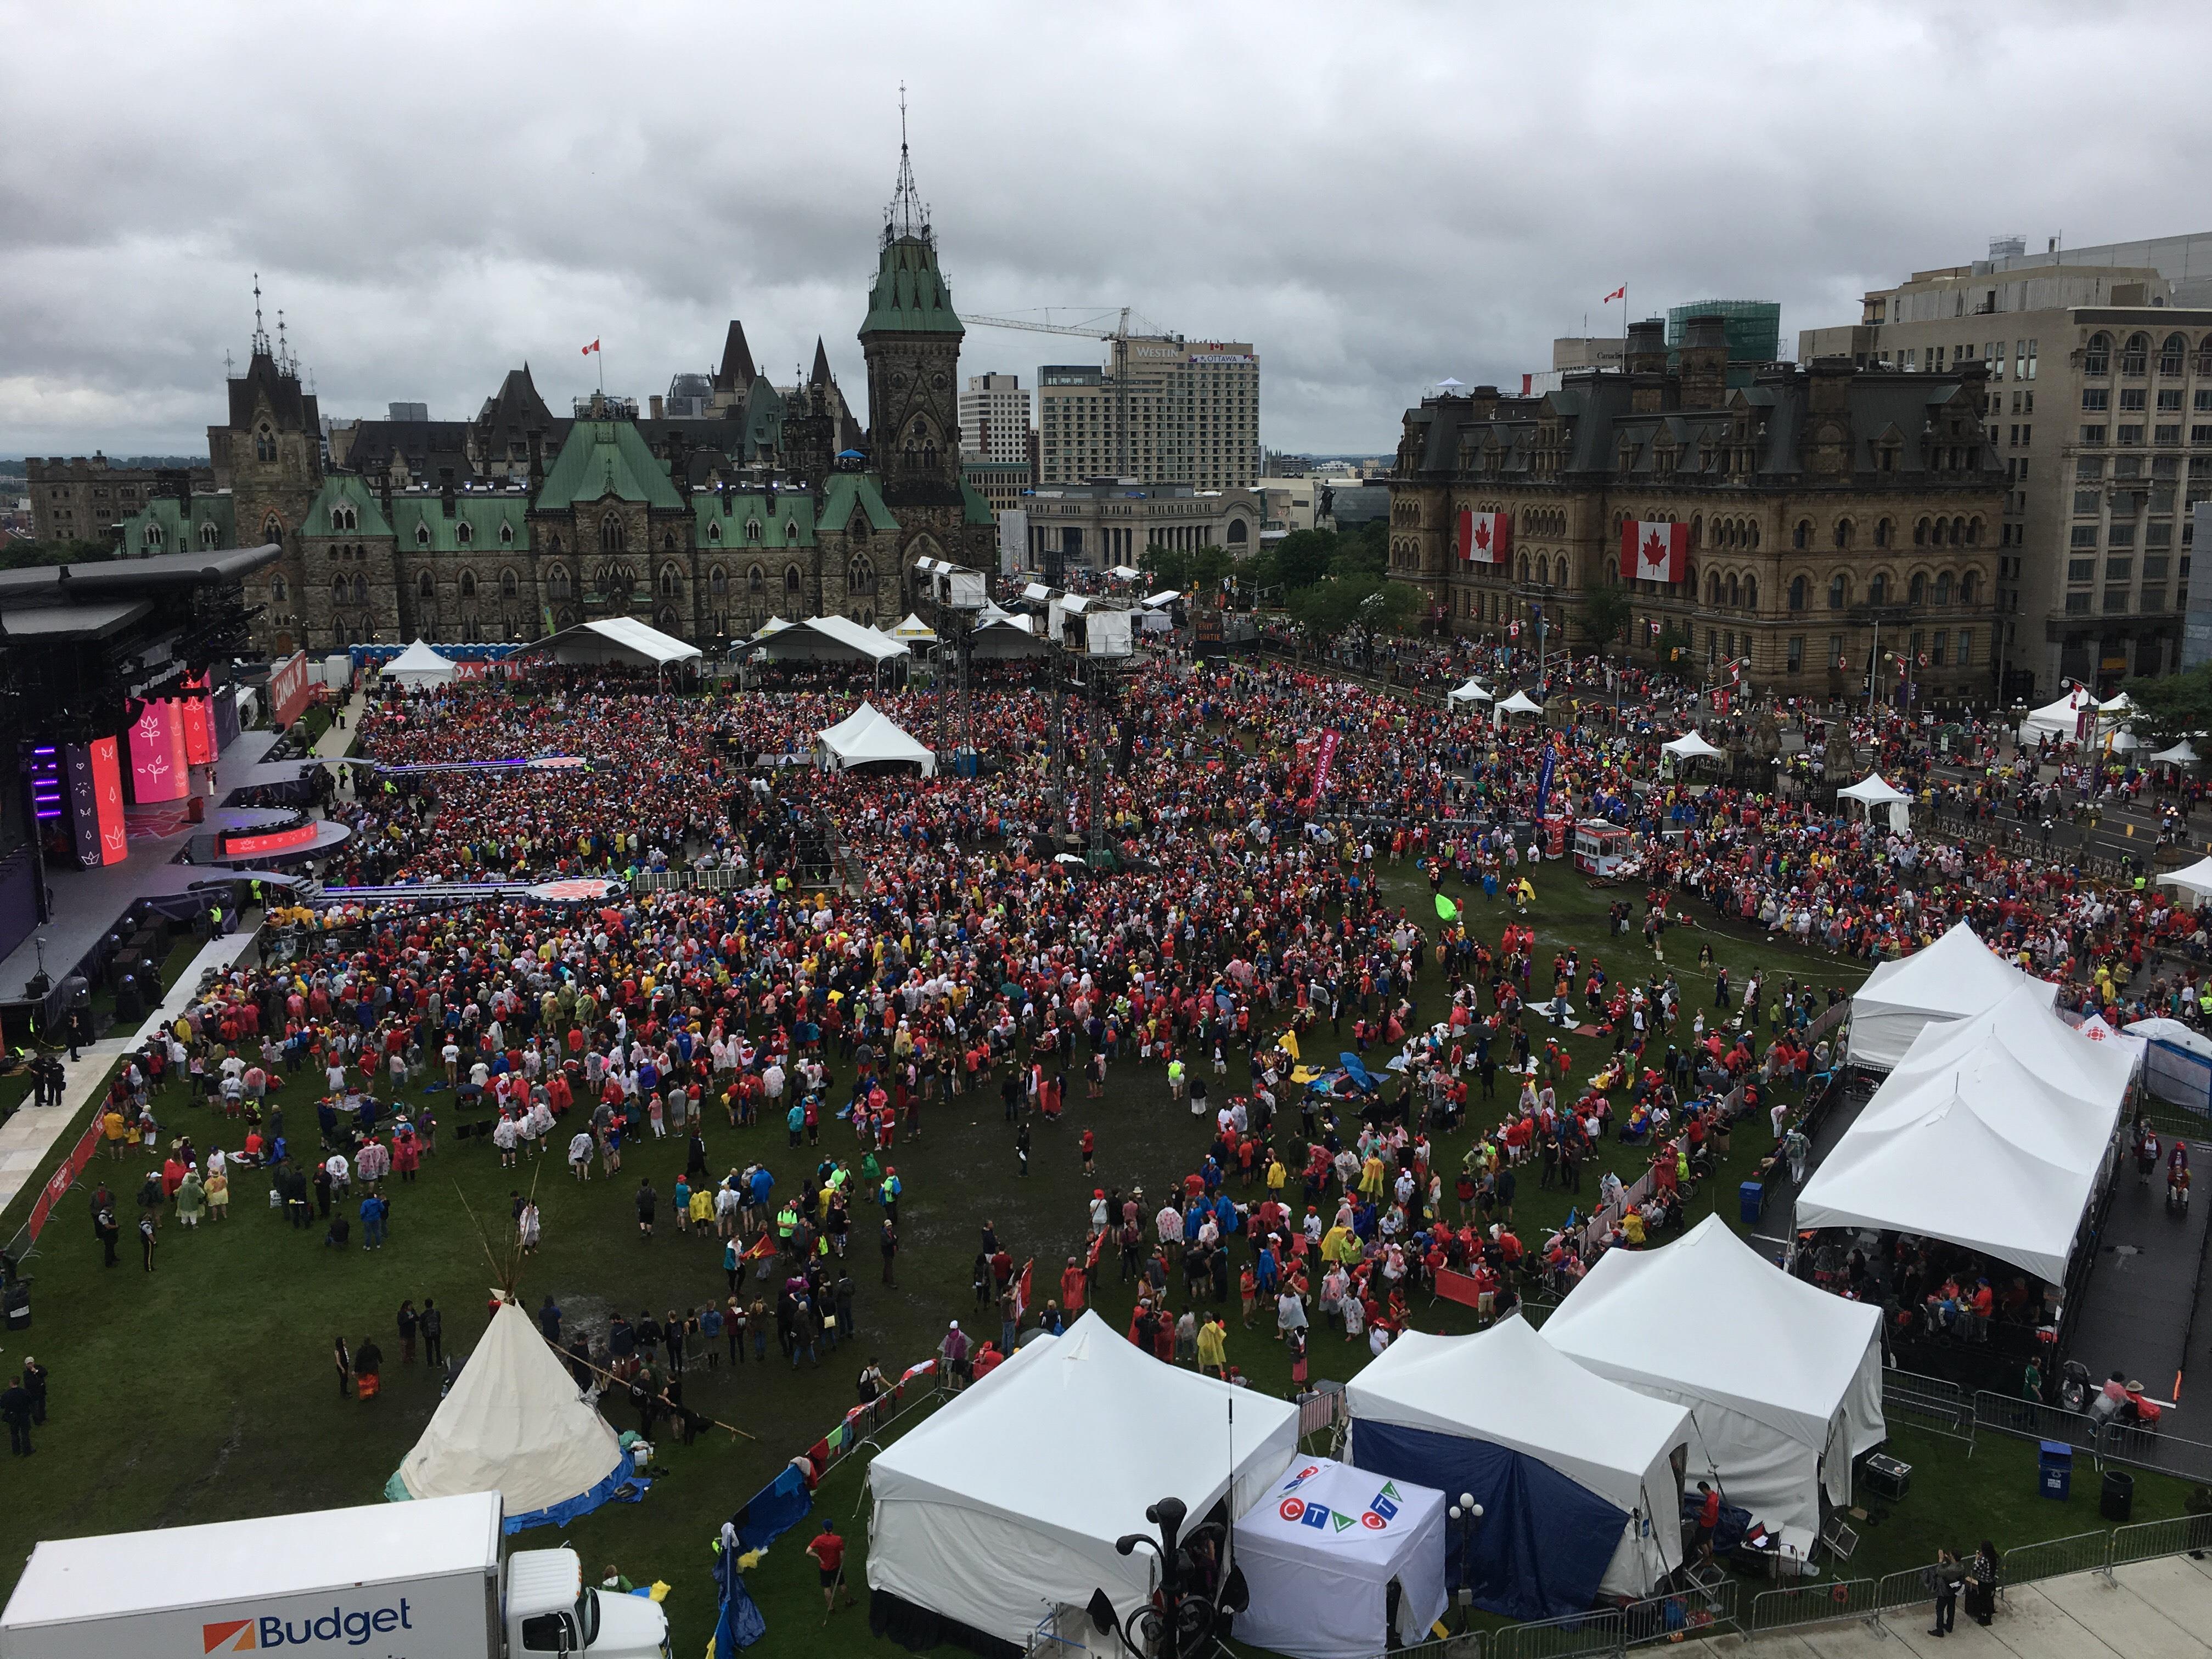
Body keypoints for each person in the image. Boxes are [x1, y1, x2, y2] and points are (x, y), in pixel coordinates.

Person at [806, 1520, 849, 1613]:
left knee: (827, 1588)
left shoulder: (819, 1539)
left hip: (824, 1568)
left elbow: (808, 1551)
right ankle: (848, 1601)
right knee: (842, 1584)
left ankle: (831, 1608)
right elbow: (842, 1554)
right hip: (836, 1567)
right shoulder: (838, 1539)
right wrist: (841, 1563)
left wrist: (818, 1557)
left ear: (824, 1529)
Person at [1962, 1540, 1999, 1627]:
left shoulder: (1983, 1560)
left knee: (1983, 1600)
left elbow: (1975, 1569)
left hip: (1984, 1583)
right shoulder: (1995, 1557)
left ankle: (1984, 1619)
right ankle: (1990, 1613)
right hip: (1992, 1582)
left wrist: (1976, 1559)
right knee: (1990, 1598)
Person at [1929, 1548, 1962, 1638]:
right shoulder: (1961, 1567)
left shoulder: (1950, 1570)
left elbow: (1939, 1572)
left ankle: (1939, 1630)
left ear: (1954, 1557)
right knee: (1951, 1609)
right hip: (1953, 1591)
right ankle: (1949, 1626)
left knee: (1940, 1610)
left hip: (1944, 1593)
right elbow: (1952, 1566)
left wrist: (1940, 1560)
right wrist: (1947, 1559)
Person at [0, 1372, 31, 1457]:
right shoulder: (24, 1392)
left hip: (12, 1416)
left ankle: (16, 1451)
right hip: (23, 1415)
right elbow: (29, 1401)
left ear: (11, 1383)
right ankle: (27, 1450)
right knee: (25, 1433)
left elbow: (2, 1405)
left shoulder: (7, 1395)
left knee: (14, 1434)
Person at [420, 1298, 444, 1367]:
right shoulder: (437, 1313)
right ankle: (439, 1363)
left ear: (425, 1305)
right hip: (436, 1333)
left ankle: (430, 1364)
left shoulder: (423, 1315)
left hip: (428, 1334)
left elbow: (421, 1326)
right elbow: (439, 1321)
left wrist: (424, 1332)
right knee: (437, 1348)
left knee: (429, 1349)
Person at [333, 1334, 353, 1399]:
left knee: (346, 1379)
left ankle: (345, 1391)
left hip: (345, 1366)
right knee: (343, 1380)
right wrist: (342, 1369)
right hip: (342, 1368)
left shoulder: (344, 1349)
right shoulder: (338, 1352)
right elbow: (338, 1362)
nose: (345, 1342)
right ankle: (343, 1393)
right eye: (343, 1341)